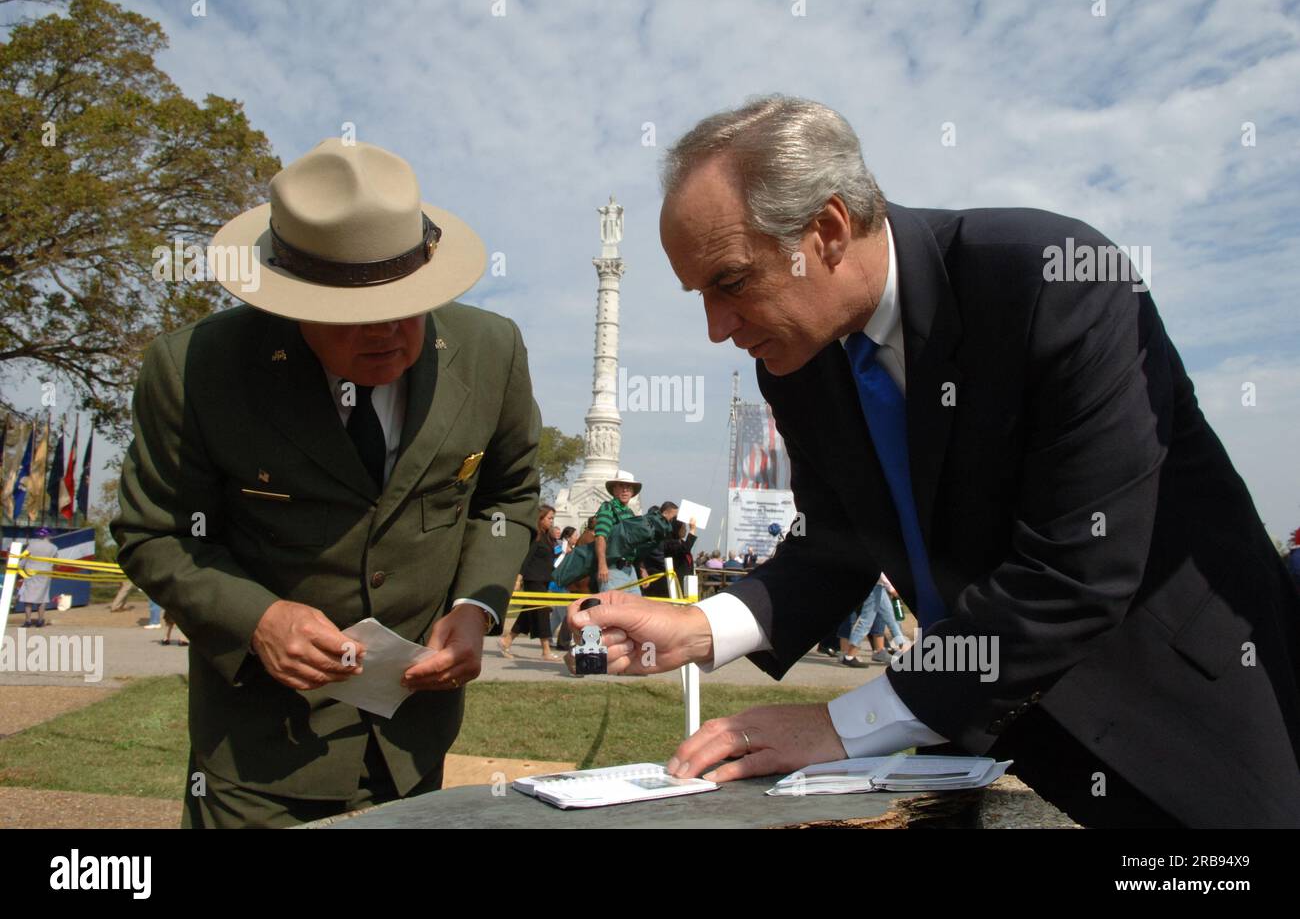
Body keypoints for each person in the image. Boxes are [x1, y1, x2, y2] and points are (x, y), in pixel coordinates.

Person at [568, 95, 1300, 828]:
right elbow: (838, 539)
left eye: (730, 282)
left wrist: (842, 725)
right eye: (700, 295)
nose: (716, 329)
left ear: (825, 230)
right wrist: (704, 627)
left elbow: (1078, 569)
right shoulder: (796, 358)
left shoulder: (1057, 282)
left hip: (1189, 725)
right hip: (992, 743)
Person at [112, 138, 541, 828]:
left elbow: (510, 494)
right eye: (353, 316)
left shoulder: (492, 354)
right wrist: (257, 618)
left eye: (410, 303)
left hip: (414, 741)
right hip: (259, 756)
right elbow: (153, 532)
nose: (388, 335)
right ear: (289, 297)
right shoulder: (195, 371)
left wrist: (476, 605)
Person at [500, 506, 562, 661]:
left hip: (544, 580)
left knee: (527, 614)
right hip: (534, 580)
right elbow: (526, 559)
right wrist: (518, 578)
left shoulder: (548, 537)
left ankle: (506, 641)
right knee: (542, 613)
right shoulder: (536, 537)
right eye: (549, 518)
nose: (551, 521)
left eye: (553, 518)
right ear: (540, 519)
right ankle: (546, 651)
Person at [593, 470, 642, 594]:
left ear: (632, 492)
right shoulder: (607, 507)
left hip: (630, 570)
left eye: (628, 487)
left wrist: (641, 568)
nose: (625, 490)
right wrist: (602, 564)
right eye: (621, 486)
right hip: (612, 569)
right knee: (613, 611)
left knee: (634, 610)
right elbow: (600, 537)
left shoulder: (630, 513)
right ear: (614, 490)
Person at [16, 528, 57, 628]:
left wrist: (20, 567)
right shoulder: (53, 547)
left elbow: (25, 557)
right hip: (44, 573)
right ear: (48, 536)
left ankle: (28, 621)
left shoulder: (32, 545)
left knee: (28, 597)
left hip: (30, 572)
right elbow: (55, 561)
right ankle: (40, 620)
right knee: (42, 598)